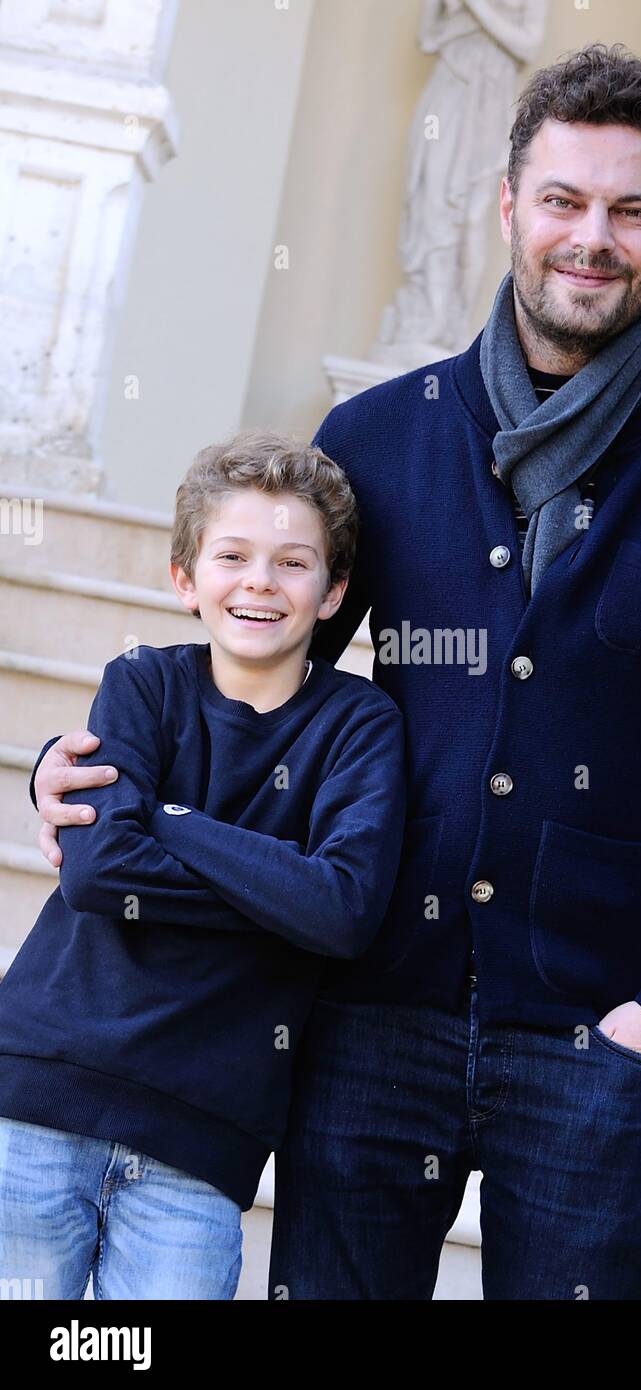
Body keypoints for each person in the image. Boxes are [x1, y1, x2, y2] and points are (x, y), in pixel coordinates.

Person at [28, 43, 641, 1300]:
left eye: (630, 210)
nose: (593, 238)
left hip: (603, 1034)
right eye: (564, 201)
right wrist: (83, 765)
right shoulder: (373, 436)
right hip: (365, 1022)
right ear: (506, 203)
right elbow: (261, 686)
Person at [0, 431, 406, 1299]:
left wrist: (166, 815)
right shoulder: (142, 683)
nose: (260, 581)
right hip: (35, 1098)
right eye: (233, 555)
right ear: (186, 579)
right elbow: (98, 871)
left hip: (200, 1141)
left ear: (334, 592)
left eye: (293, 562)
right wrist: (276, 888)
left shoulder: (359, 727)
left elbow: (340, 911)